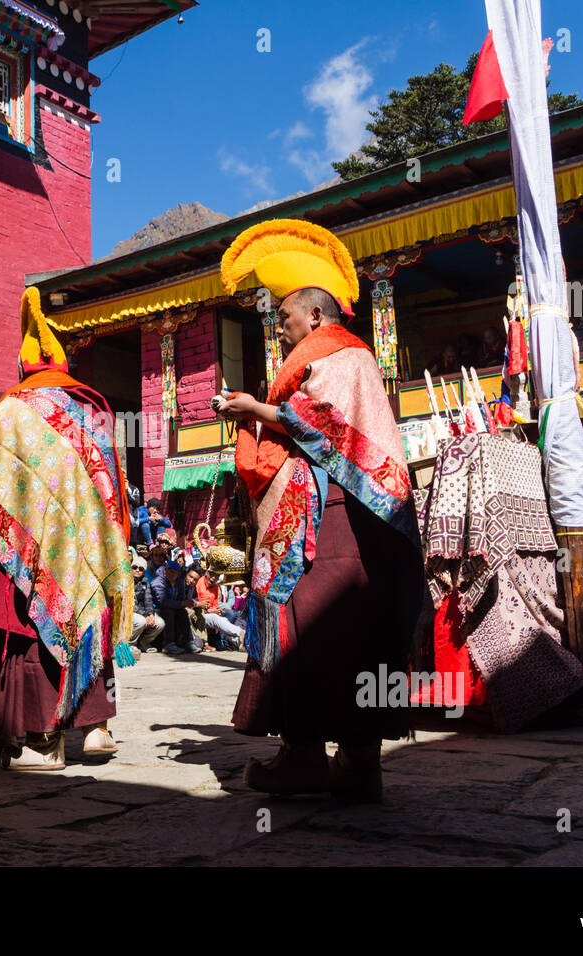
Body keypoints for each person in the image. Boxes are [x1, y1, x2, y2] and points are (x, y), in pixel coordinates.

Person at [216, 218, 425, 800]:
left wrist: (256, 409)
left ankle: (335, 758)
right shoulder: (320, 355)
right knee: (324, 630)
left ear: (313, 315)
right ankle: (323, 757)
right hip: (322, 517)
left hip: (333, 516)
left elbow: (327, 424)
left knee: (325, 627)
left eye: (283, 319)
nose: (279, 332)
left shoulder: (338, 352)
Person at [0, 287, 135, 770]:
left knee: (36, 620)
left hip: (33, 544)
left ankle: (44, 739)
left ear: (22, 369)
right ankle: (97, 726)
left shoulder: (11, 411)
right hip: (91, 539)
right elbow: (111, 483)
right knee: (88, 604)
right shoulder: (94, 409)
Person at [196, 567, 245, 651]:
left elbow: (216, 603)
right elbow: (195, 606)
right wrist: (210, 611)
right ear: (206, 573)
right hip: (199, 615)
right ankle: (241, 633)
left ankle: (238, 642)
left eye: (217, 575)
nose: (214, 577)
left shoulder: (215, 586)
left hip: (210, 613)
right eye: (212, 574)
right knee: (219, 617)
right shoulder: (199, 584)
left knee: (228, 615)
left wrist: (217, 610)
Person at [130, 555, 165, 652]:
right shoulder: (127, 581)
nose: (137, 570)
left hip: (142, 612)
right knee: (141, 621)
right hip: (129, 611)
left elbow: (148, 600)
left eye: (140, 569)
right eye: (134, 567)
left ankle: (143, 643)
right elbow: (130, 605)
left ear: (144, 572)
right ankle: (130, 644)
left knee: (160, 623)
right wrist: (145, 615)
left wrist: (150, 615)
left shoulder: (145, 582)